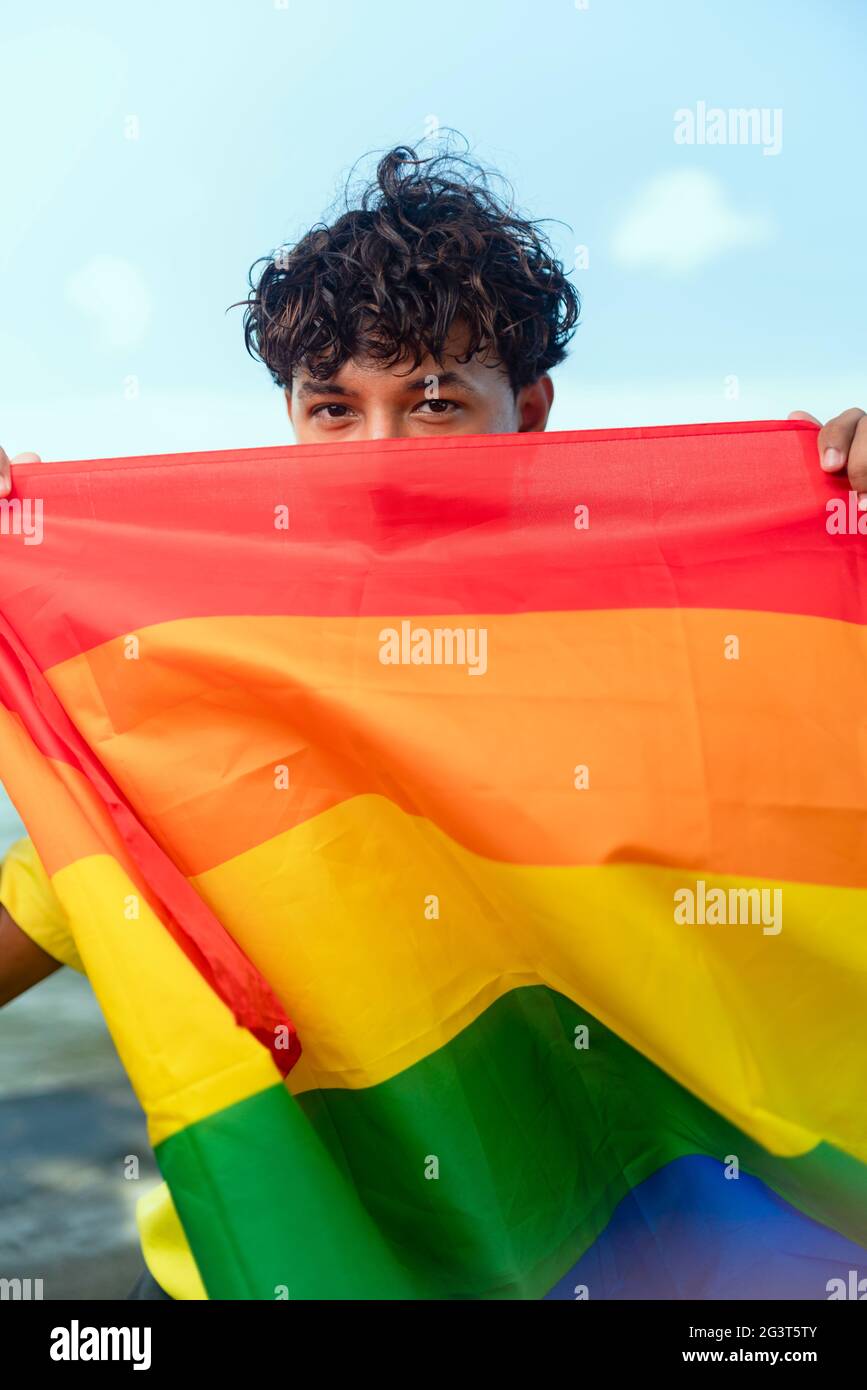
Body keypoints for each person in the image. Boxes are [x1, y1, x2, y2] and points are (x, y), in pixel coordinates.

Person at [0, 142, 865, 1300]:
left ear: (533, 412)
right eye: (333, 410)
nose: (381, 461)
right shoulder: (197, 705)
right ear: (288, 429)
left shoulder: (683, 667)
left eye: (435, 402)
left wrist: (830, 565)